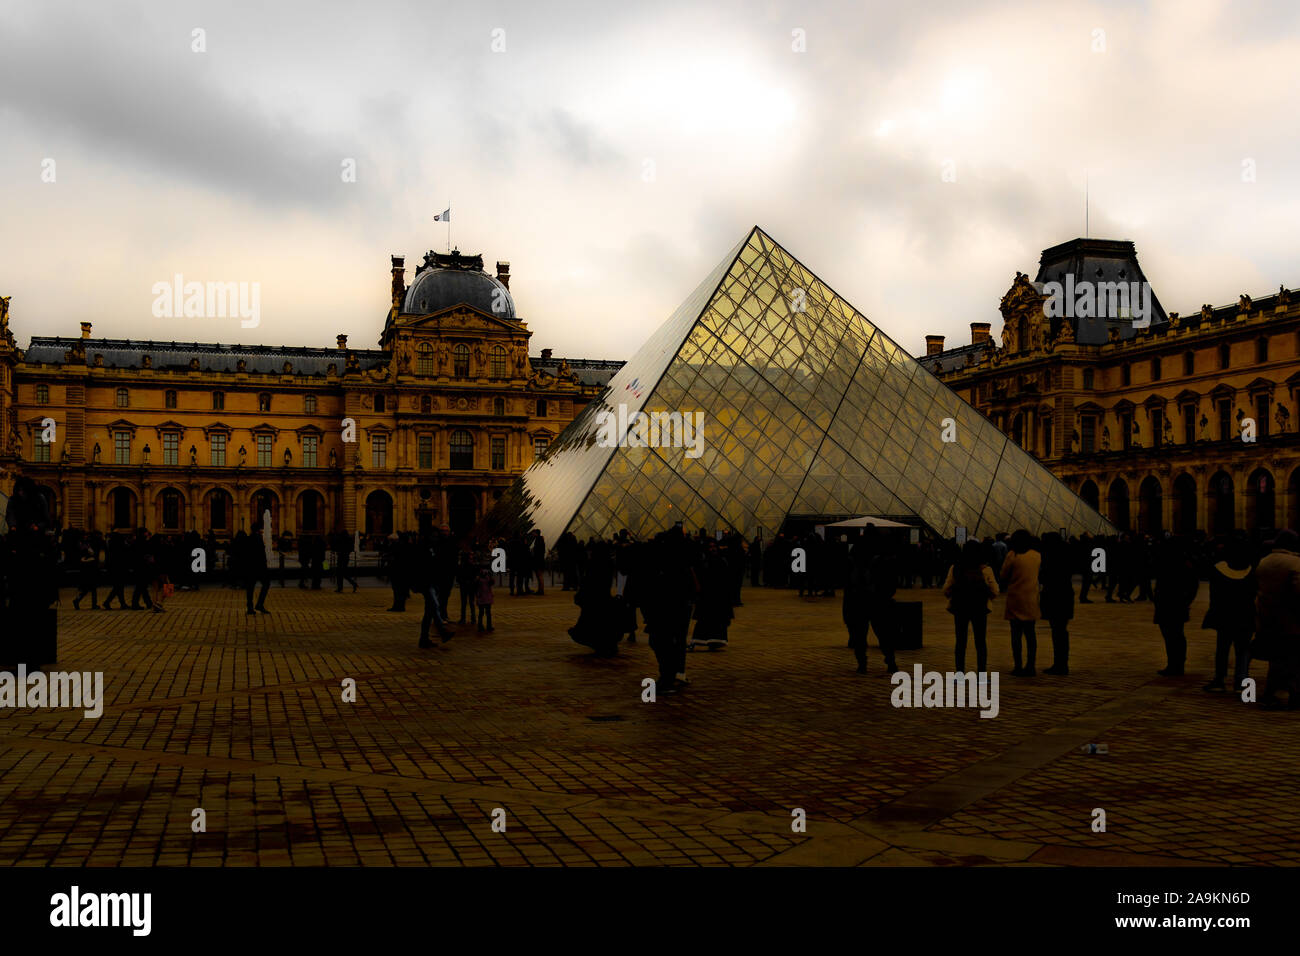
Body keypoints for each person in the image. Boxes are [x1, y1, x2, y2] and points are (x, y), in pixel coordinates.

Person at [1202, 537, 1256, 694]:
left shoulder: (1219, 568)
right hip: (1245, 615)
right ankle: (1241, 682)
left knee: (1222, 649)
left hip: (1225, 615)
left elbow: (1214, 595)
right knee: (1243, 650)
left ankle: (1219, 680)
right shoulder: (1251, 569)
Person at [1254, 530, 1300, 709]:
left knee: (1276, 660)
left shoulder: (1264, 562)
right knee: (1294, 660)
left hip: (1268, 618)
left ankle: (1270, 694)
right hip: (1292, 621)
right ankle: (1293, 696)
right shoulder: (1295, 563)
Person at [842, 528, 898, 675]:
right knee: (883, 632)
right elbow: (891, 579)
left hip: (858, 599)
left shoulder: (855, 550)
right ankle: (890, 660)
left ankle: (862, 664)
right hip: (878, 600)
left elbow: (847, 578)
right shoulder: (882, 553)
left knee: (860, 635)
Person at [943, 539, 999, 673]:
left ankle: (960, 673)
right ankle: (981, 674)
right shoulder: (985, 569)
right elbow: (995, 591)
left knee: (960, 642)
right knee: (980, 642)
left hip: (960, 607)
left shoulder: (955, 567)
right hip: (980, 608)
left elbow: (946, 589)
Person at [1152, 538, 1198, 677]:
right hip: (1177, 604)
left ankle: (1174, 664)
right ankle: (1177, 664)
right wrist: (1187, 601)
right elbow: (1193, 585)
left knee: (1170, 636)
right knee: (1177, 635)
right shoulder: (1185, 563)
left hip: (1168, 603)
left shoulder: (1166, 563)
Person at [1001, 530, 1041, 677]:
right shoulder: (1036, 555)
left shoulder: (1012, 555)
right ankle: (1031, 665)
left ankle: (1018, 666)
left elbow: (1003, 574)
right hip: (1031, 598)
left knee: (1016, 636)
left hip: (1016, 599)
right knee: (1031, 635)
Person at [1038, 532, 1075, 675]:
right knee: (1062, 630)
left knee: (1057, 630)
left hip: (1053, 595)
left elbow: (1043, 576)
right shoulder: (1067, 552)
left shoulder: (1049, 556)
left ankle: (1059, 664)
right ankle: (1062, 662)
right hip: (1066, 594)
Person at [415, 532, 454, 648]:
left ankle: (424, 639)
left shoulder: (431, 549)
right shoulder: (425, 550)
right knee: (434, 606)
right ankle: (442, 632)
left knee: (429, 612)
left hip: (430, 582)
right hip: (427, 583)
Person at [242, 524, 271, 615]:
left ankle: (250, 607)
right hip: (259, 567)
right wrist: (265, 565)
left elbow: (245, 553)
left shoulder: (248, 538)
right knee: (266, 584)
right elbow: (261, 554)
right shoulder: (258, 538)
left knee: (250, 587)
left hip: (250, 567)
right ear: (258, 530)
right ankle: (259, 604)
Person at [72, 537, 101, 610]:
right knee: (93, 589)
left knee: (86, 589)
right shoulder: (86, 549)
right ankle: (94, 605)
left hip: (86, 572)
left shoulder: (83, 549)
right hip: (89, 571)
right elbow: (92, 556)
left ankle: (77, 600)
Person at [475, 562, 495, 633]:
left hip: (482, 598)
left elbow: (491, 582)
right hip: (486, 597)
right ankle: (488, 626)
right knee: (487, 613)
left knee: (482, 613)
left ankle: (481, 626)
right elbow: (492, 582)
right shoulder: (486, 578)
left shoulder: (480, 578)